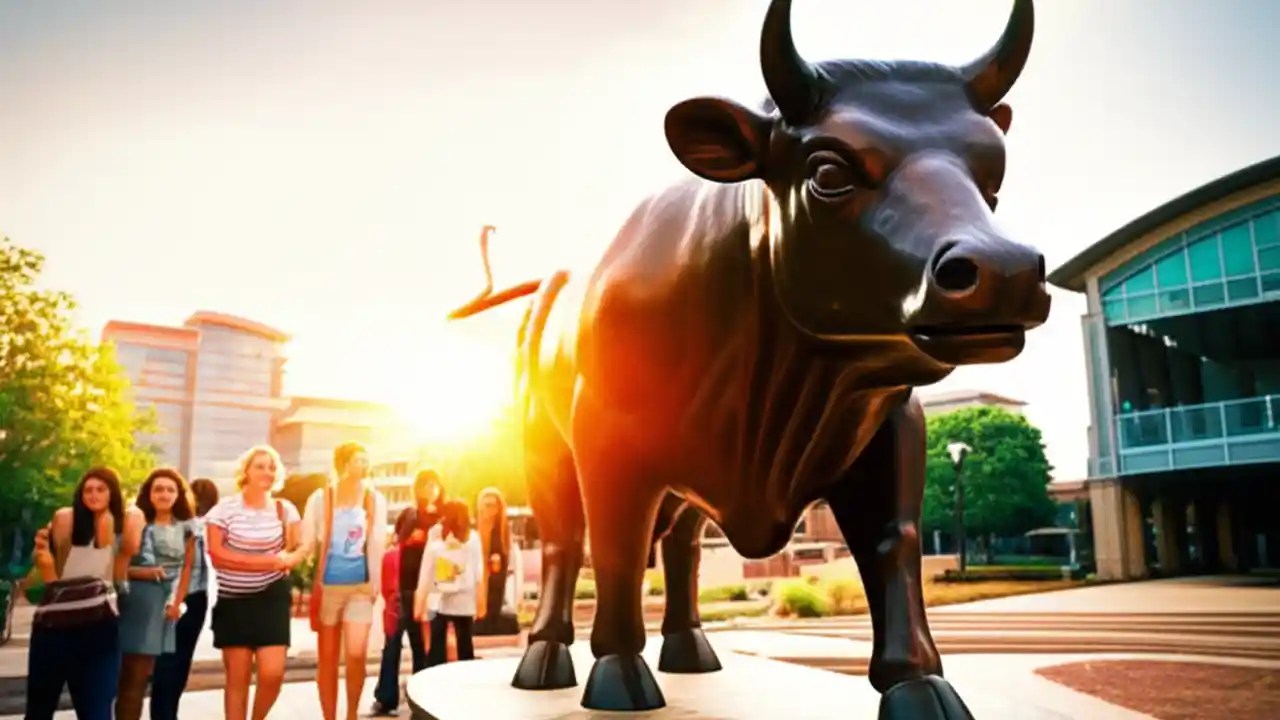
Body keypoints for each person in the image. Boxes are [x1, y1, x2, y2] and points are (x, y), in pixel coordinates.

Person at [25, 467, 138, 720]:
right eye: (88, 490)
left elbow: (126, 555)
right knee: (39, 708)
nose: (94, 495)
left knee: (96, 709)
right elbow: (46, 575)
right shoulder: (65, 519)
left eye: (101, 489)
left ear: (112, 493)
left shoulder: (123, 522)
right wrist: (43, 555)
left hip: (98, 625)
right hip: (55, 624)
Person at [206, 445, 302, 720]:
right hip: (234, 602)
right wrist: (269, 562)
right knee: (237, 679)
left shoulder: (285, 510)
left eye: (272, 467)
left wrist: (290, 560)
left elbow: (298, 548)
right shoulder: (223, 510)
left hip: (271, 597)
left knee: (273, 674)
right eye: (260, 466)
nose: (267, 472)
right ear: (245, 472)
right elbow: (217, 554)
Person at [294, 441, 388, 720]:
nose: (364, 465)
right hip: (330, 586)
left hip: (360, 585)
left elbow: (377, 542)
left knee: (357, 654)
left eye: (365, 460)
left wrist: (376, 584)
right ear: (343, 464)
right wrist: (289, 559)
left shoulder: (374, 499)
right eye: (358, 460)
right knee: (328, 658)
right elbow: (308, 541)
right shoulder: (321, 498)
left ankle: (351, 715)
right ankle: (329, 717)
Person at [115, 469, 197, 720]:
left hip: (168, 607)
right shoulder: (134, 521)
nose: (164, 494)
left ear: (179, 495)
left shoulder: (187, 528)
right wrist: (144, 574)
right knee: (132, 679)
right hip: (137, 601)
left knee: (161, 678)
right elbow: (116, 566)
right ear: (148, 494)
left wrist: (178, 602)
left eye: (170, 489)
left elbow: (187, 569)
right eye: (158, 489)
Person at [149, 477, 219, 720]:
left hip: (188, 598)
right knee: (172, 667)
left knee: (172, 667)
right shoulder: (192, 525)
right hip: (182, 599)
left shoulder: (191, 525)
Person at [416, 500, 482, 667]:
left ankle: (435, 682)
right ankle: (466, 685)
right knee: (465, 646)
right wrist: (479, 599)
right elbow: (477, 572)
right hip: (464, 598)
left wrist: (420, 597)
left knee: (437, 647)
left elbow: (427, 567)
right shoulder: (472, 537)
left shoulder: (436, 535)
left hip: (439, 597)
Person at [394, 469, 445, 671]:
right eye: (425, 484)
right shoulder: (408, 514)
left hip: (436, 585)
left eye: (434, 484)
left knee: (435, 637)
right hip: (409, 582)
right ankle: (418, 677)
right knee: (415, 639)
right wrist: (410, 539)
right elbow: (397, 542)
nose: (430, 489)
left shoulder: (445, 516)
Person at [369, 521, 405, 717]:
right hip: (407, 604)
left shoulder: (390, 555)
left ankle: (385, 697)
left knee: (391, 649)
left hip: (394, 606)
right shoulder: (421, 551)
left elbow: (386, 588)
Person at [474, 487, 515, 634]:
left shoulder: (502, 529)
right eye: (487, 505)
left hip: (497, 575)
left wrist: (499, 560)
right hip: (479, 576)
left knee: (494, 603)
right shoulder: (475, 528)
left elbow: (506, 552)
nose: (490, 509)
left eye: (494, 505)